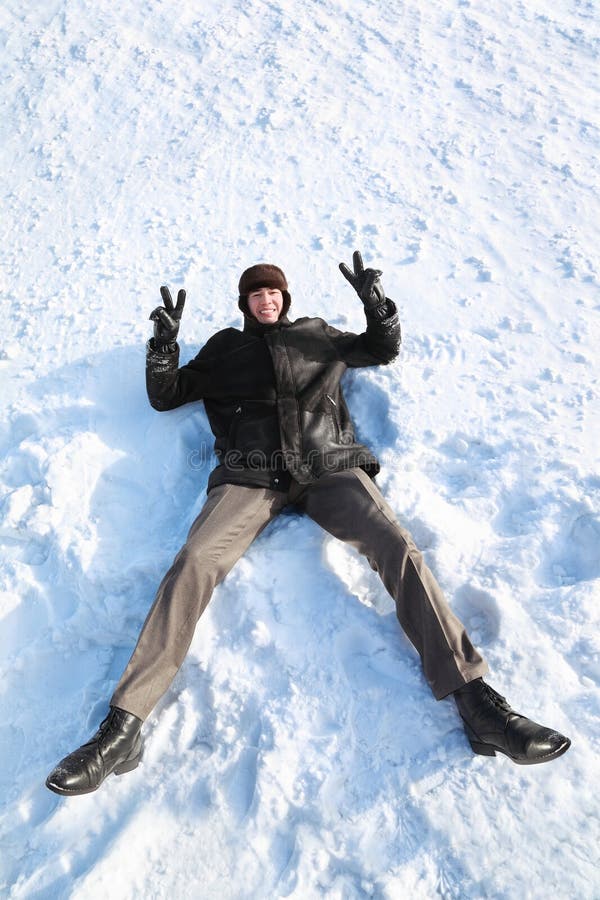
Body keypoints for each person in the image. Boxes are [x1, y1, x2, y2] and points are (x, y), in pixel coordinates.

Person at [46, 252, 571, 796]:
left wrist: (377, 306)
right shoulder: (226, 349)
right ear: (245, 304)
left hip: (329, 468)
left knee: (398, 546)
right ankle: (123, 727)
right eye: (255, 294)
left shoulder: (317, 335)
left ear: (285, 298)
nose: (265, 300)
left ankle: (478, 704)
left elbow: (379, 348)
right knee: (194, 562)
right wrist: (163, 347)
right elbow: (166, 395)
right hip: (250, 479)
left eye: (272, 292)